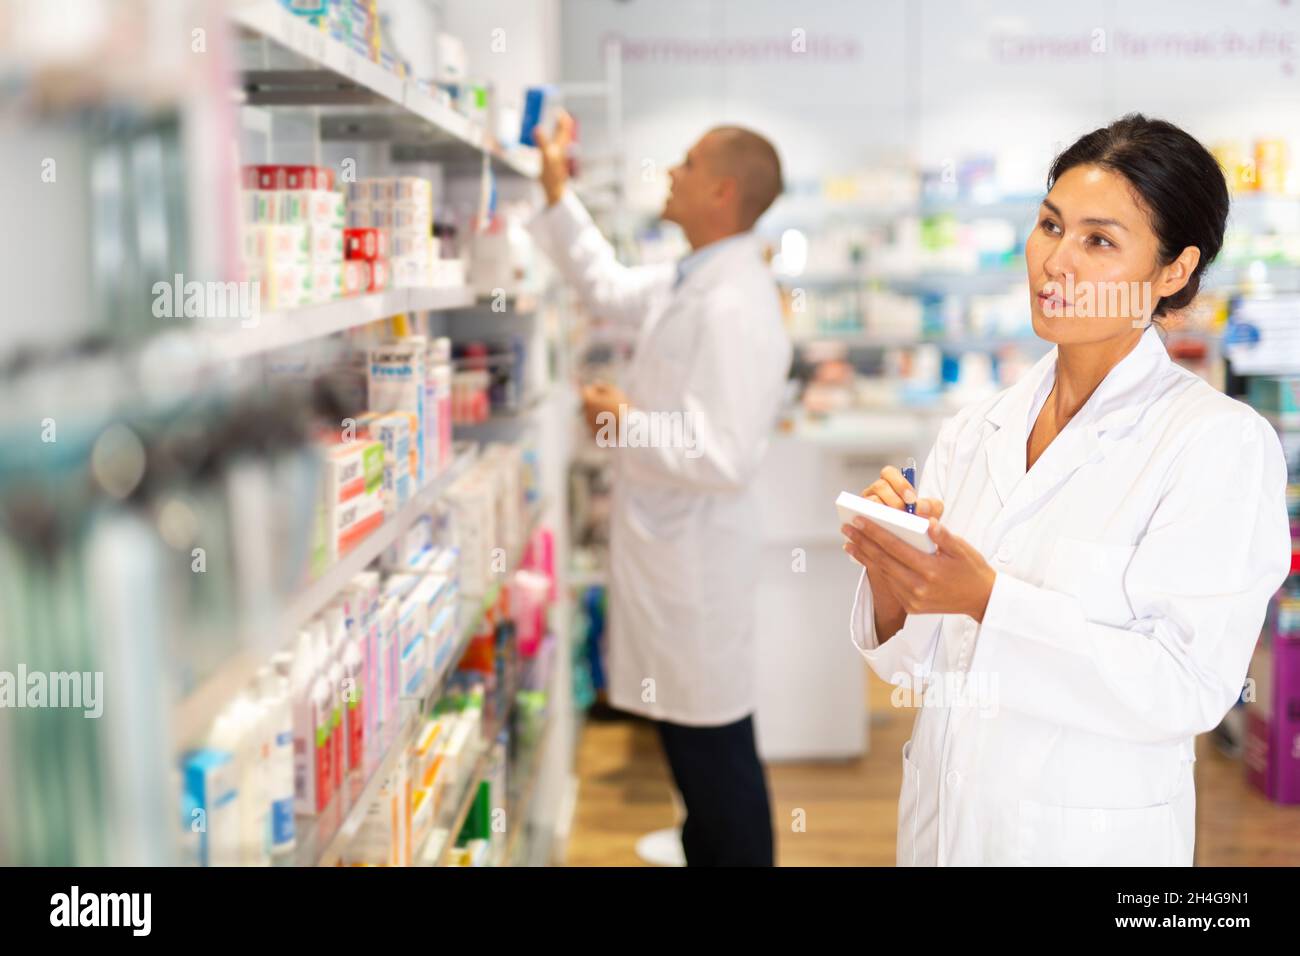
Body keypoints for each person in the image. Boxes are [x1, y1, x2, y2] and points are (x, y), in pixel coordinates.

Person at [840, 114, 1291, 866]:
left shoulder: (1217, 444)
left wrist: (988, 598)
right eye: (1050, 225)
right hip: (944, 828)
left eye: (1099, 241)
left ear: (1174, 271)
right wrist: (898, 578)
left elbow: (1187, 687)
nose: (1056, 263)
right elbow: (920, 666)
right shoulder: (977, 426)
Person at [527, 114, 792, 866]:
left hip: (697, 567)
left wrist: (623, 420)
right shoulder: (695, 278)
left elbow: (724, 456)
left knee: (715, 760)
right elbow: (605, 288)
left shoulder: (733, 302)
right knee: (695, 758)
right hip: (674, 561)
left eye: (687, 163)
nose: (670, 174)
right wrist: (555, 191)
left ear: (723, 189)